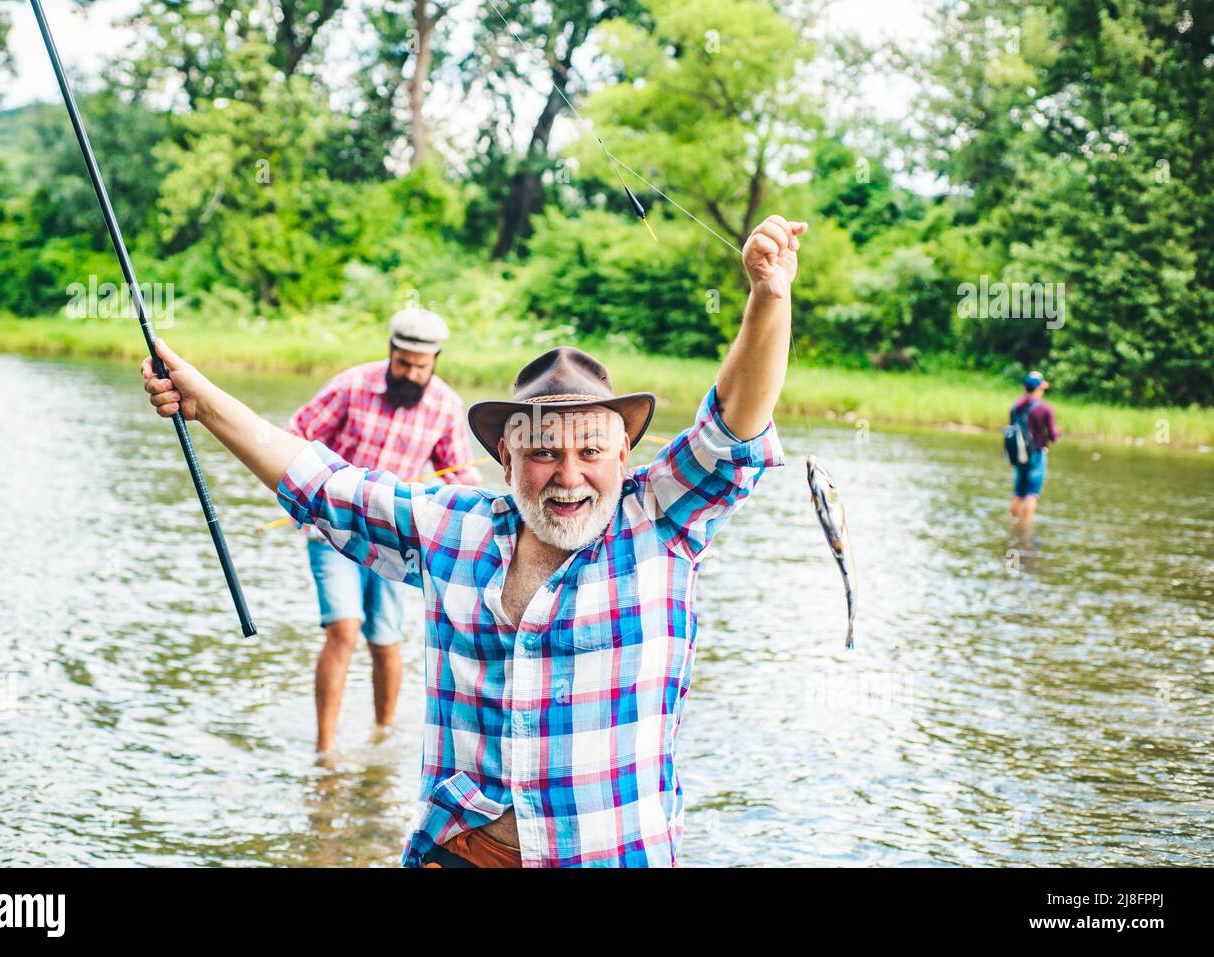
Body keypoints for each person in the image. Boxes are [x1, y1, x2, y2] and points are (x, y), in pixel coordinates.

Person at [141, 213, 807, 867]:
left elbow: (733, 427)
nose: (568, 475)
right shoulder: (453, 527)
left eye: (590, 450)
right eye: (543, 452)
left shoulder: (661, 519)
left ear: (625, 453)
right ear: (507, 460)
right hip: (460, 851)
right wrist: (203, 402)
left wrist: (767, 297)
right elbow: (320, 482)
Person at [285, 307, 482, 754]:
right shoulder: (351, 386)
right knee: (344, 630)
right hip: (330, 530)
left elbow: (461, 479)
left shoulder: (446, 405)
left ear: (435, 362)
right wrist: (301, 500)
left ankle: (380, 736)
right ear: (390, 352)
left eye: (421, 367)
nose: (411, 374)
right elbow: (297, 434)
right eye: (403, 364)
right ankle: (325, 749)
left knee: (385, 640)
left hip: (394, 539)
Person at [1009, 370, 1060, 522]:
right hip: (1037, 454)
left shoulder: (1015, 407)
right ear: (1038, 388)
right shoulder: (1045, 409)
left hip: (1019, 455)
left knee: (1018, 493)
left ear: (1025, 388)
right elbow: (1052, 435)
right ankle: (1025, 527)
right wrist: (1056, 435)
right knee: (1031, 494)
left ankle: (1013, 523)